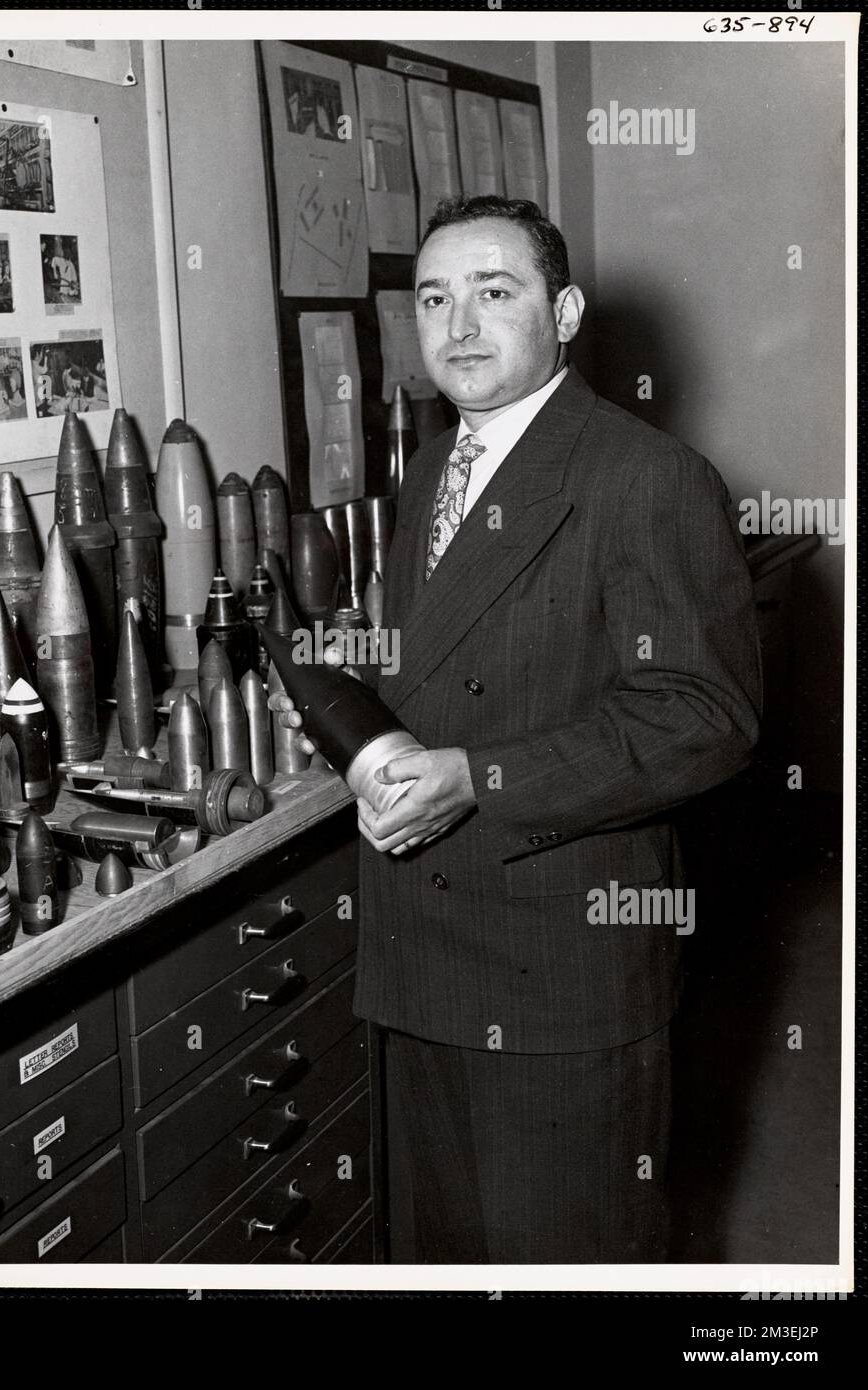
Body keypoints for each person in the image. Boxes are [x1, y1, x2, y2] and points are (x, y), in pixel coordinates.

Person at [271, 195, 761, 1263]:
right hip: (418, 955)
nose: (457, 327)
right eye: (433, 300)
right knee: (439, 1258)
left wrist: (478, 777)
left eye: (494, 293)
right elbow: (450, 661)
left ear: (565, 313)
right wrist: (351, 699)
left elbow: (703, 717)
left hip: (555, 972)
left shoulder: (646, 478)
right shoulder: (428, 471)